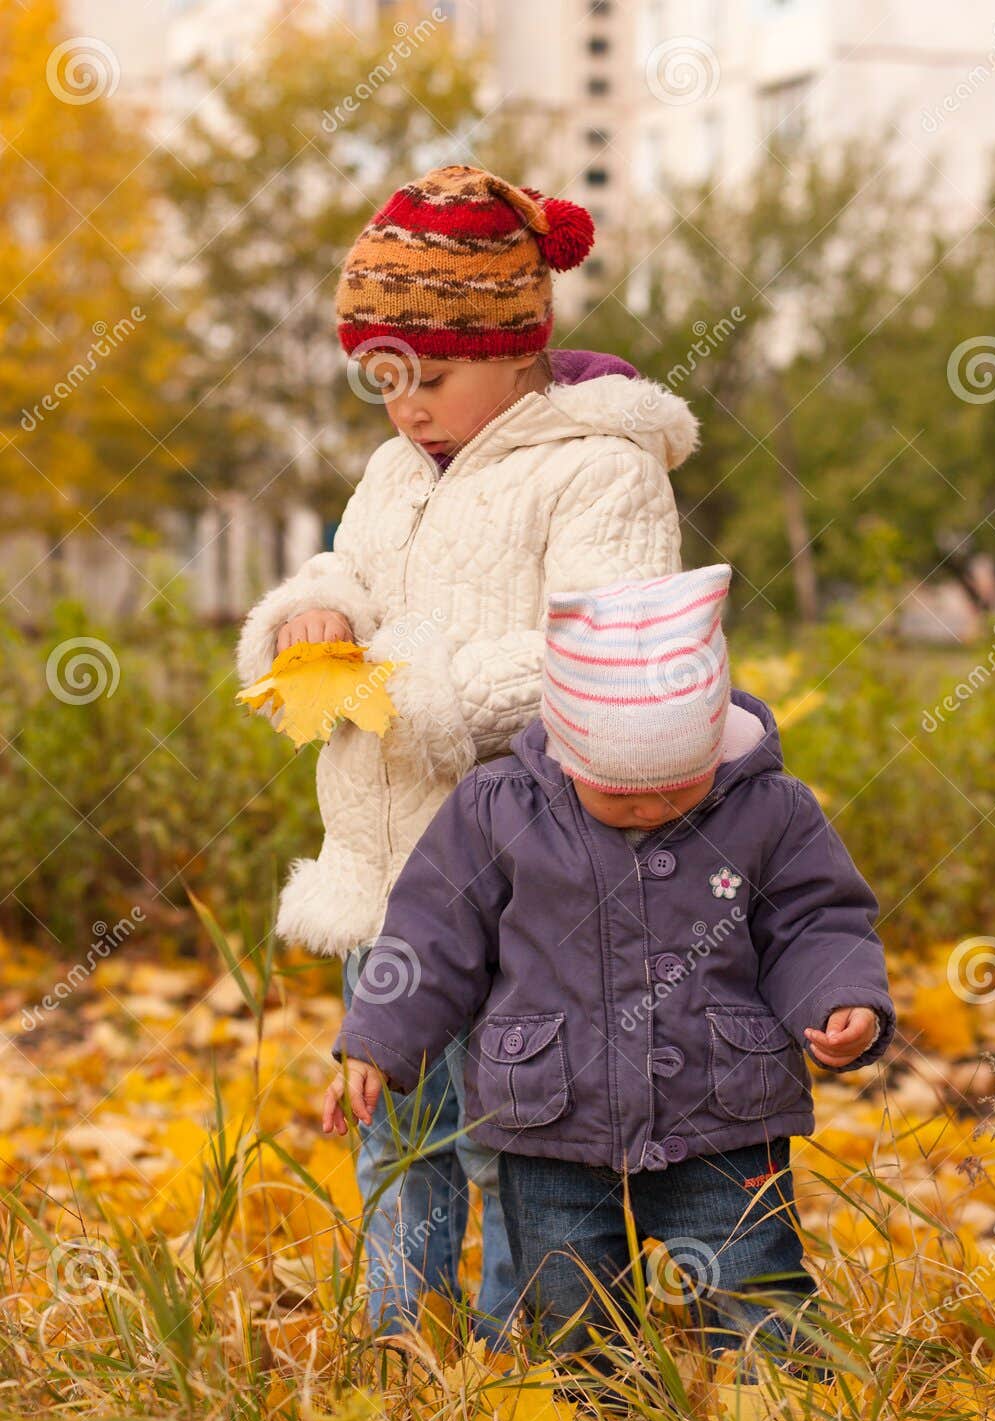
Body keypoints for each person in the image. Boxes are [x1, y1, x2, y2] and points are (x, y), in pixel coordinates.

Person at [236, 163, 714, 1343]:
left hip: (525, 894)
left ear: (516, 347)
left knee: (517, 1139)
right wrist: (320, 611)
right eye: (383, 380)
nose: (404, 406)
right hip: (386, 873)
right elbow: (353, 563)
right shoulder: (399, 467)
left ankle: (534, 1367)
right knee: (398, 1131)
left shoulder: (597, 471)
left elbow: (602, 657)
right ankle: (403, 1341)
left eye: (429, 376)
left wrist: (409, 688)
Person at [323, 564, 896, 1379]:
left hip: (721, 1109)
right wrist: (377, 1038)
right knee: (568, 1296)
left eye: (674, 791)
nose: (647, 809)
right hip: (550, 1115)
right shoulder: (498, 808)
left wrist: (843, 998)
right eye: (617, 795)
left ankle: (782, 1406)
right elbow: (430, 932)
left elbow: (815, 921)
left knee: (752, 1271)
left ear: (713, 742)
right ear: (564, 750)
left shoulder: (770, 810)